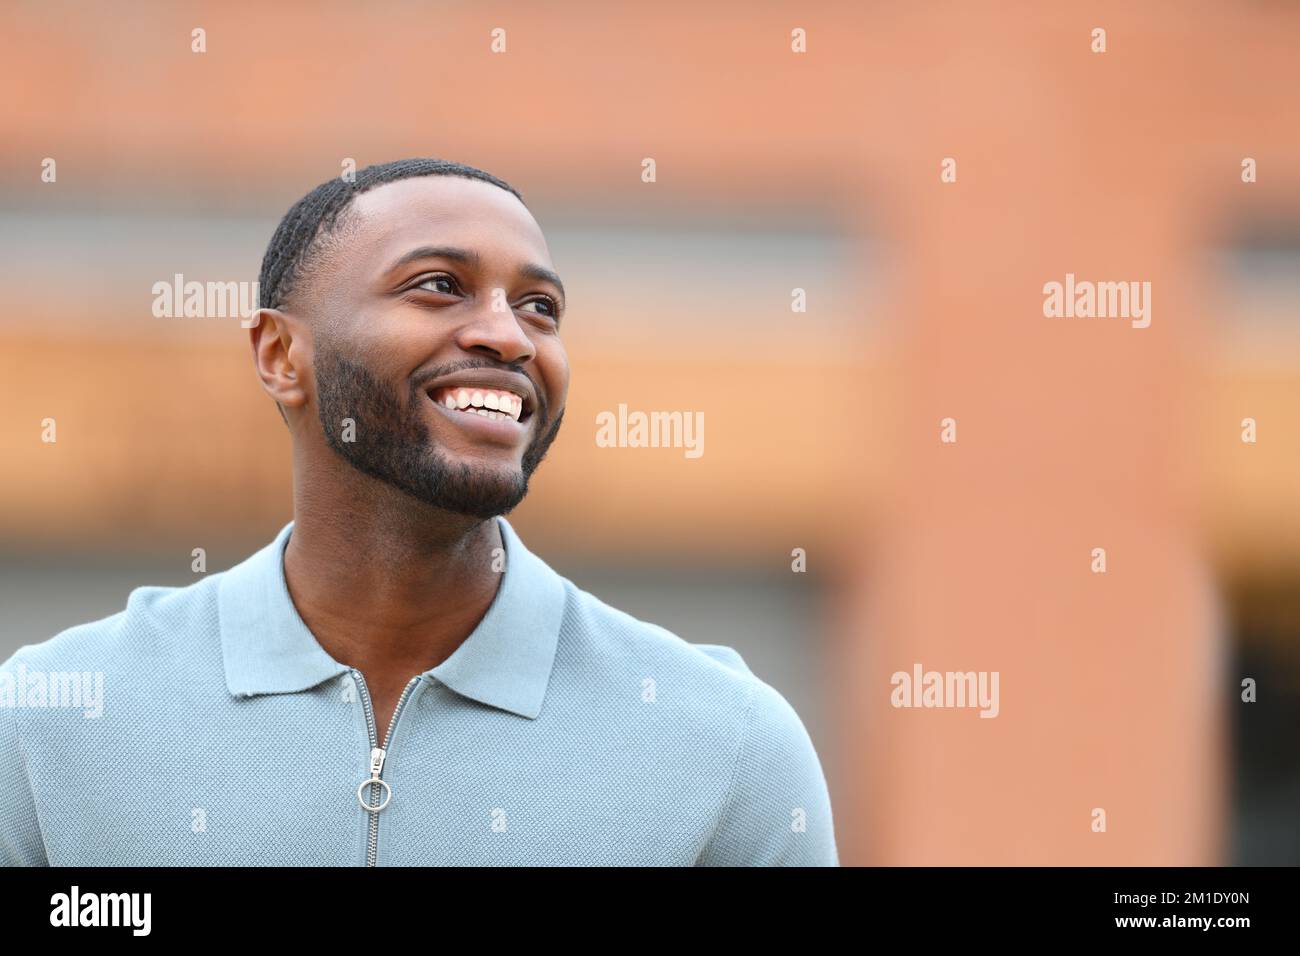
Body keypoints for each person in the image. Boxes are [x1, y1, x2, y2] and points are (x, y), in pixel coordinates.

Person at [0, 158, 838, 866]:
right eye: (440, 286)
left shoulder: (725, 744)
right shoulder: (53, 720)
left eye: (539, 307)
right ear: (281, 353)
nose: (509, 336)